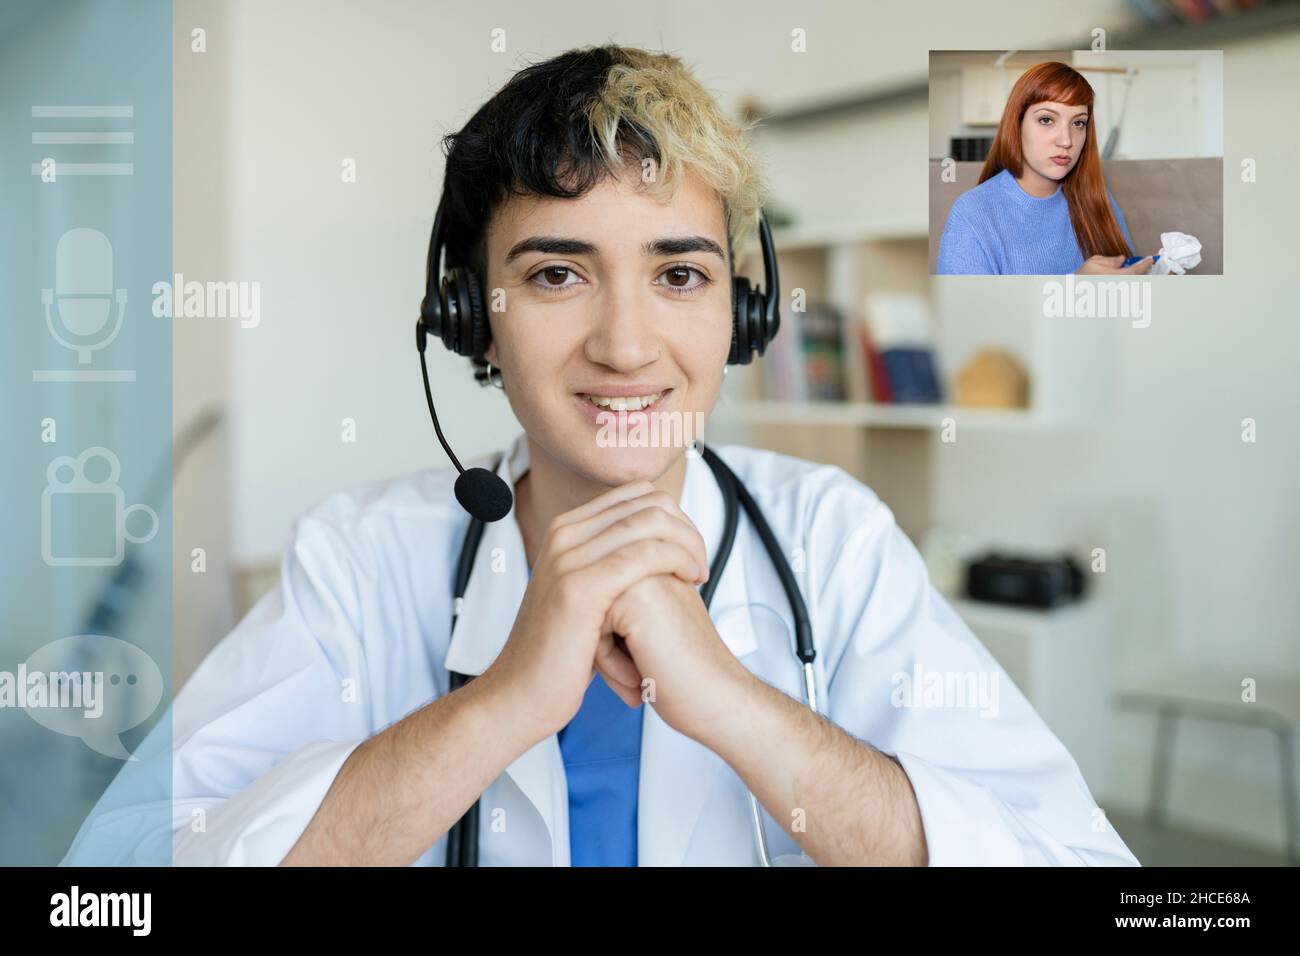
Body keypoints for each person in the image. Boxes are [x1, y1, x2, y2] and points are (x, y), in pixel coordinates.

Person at [62, 44, 1139, 867]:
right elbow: (115, 883)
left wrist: (732, 702)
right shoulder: (358, 556)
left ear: (743, 314)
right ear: (469, 319)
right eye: (556, 274)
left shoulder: (832, 536)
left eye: (679, 275)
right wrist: (505, 701)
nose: (626, 347)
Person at [937, 60, 1154, 276]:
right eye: (1047, 120)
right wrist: (1076, 288)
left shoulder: (1099, 198)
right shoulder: (971, 215)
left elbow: (1131, 284)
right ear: (1017, 124)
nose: (1066, 141)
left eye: (1078, 123)